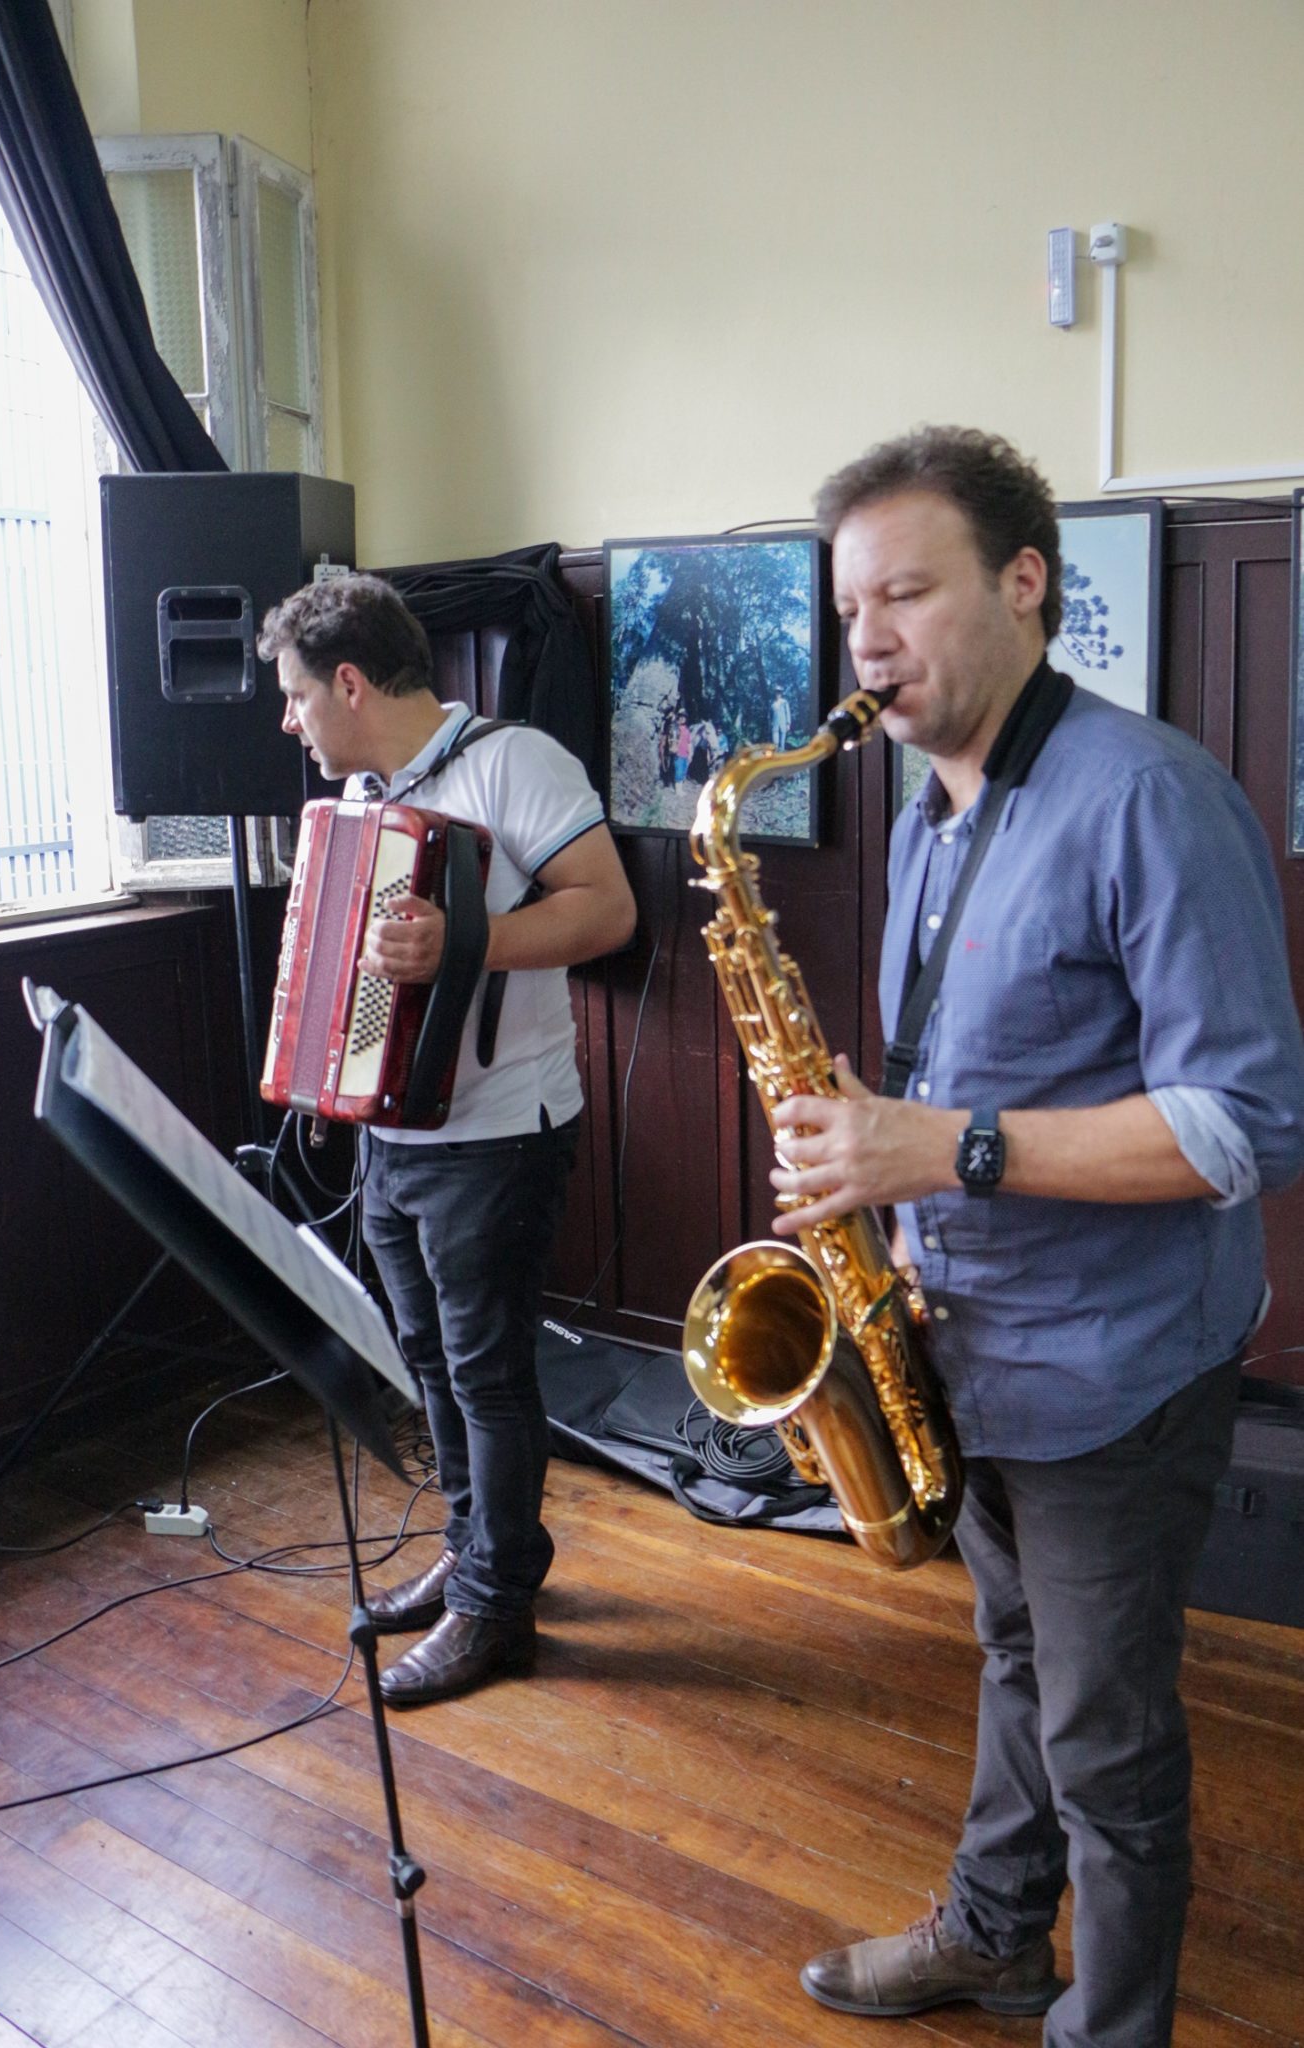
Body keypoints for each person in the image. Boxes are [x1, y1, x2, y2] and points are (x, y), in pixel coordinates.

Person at [767, 428, 1304, 2044]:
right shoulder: (932, 814)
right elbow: (966, 1076)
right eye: (853, 602)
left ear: (1024, 584)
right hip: (974, 1345)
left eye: (907, 592)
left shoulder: (1151, 795)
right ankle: (999, 1932)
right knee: (1018, 1663)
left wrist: (943, 1143)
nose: (868, 638)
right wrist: (887, 1179)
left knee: (1109, 1732)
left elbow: (1241, 1128)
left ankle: (1113, 2020)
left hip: (1118, 1380)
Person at [258, 574, 636, 1707]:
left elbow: (609, 911)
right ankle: (484, 1558)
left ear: (351, 681)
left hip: (500, 1133)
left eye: (295, 697)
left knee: (489, 1371)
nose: (290, 721)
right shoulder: (366, 793)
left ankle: (494, 1608)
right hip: (395, 1133)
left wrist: (464, 940)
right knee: (427, 1362)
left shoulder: (517, 761)